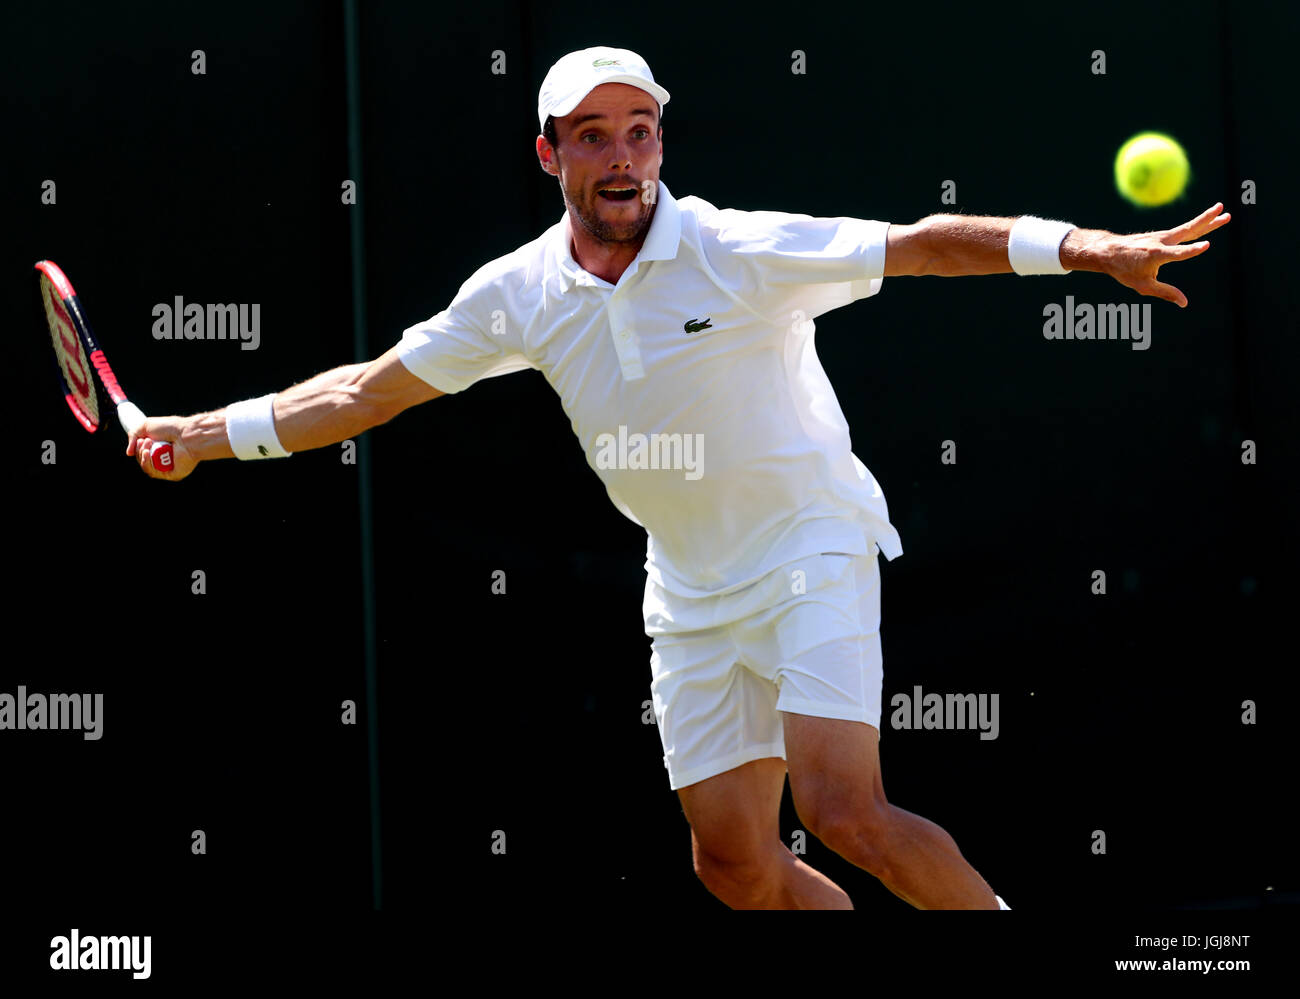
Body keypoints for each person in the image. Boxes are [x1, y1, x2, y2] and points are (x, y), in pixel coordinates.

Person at [127, 46, 1231, 910]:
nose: (622, 158)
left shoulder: (736, 248)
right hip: (690, 588)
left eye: (641, 133)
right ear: (549, 152)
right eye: (595, 136)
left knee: (844, 809)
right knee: (733, 869)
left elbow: (923, 242)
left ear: (661, 144)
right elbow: (364, 394)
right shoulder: (514, 294)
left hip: (809, 543)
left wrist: (1084, 248)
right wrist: (205, 432)